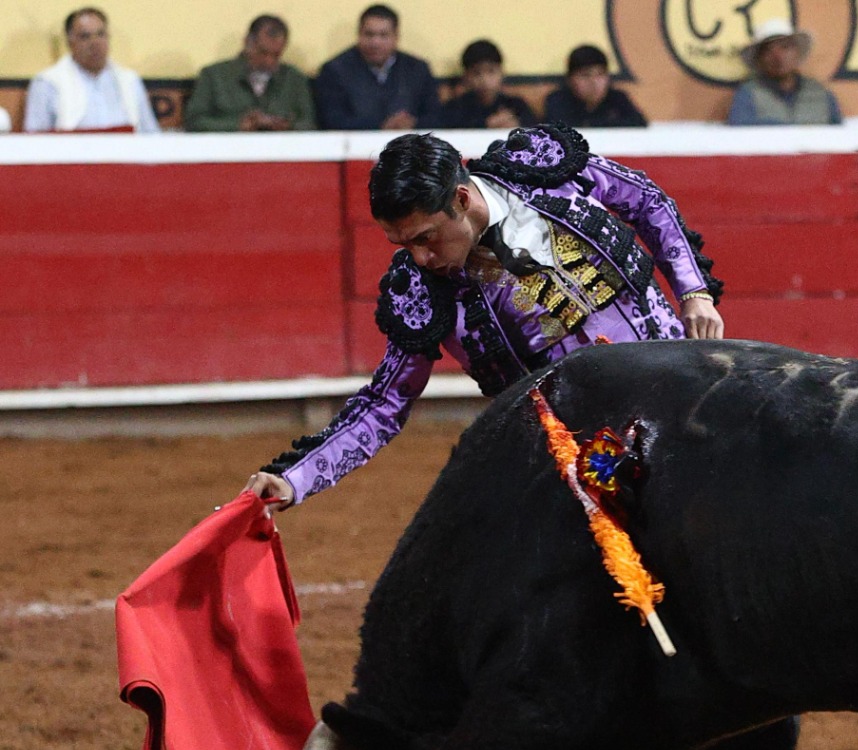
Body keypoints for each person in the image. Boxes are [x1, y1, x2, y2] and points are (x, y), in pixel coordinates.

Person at [243, 125, 722, 507]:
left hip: (679, 389)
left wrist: (694, 291)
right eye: (404, 244)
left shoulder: (540, 167)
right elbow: (383, 403)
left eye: (426, 237)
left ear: (462, 199)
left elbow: (647, 201)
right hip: (582, 460)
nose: (421, 258)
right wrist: (295, 478)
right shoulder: (423, 290)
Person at [24, 8, 160, 133]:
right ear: (70, 42)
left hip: (124, 155)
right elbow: (36, 138)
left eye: (100, 34)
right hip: (72, 156)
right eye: (85, 36)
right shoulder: (47, 83)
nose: (95, 43)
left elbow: (151, 134)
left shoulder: (129, 81)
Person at [314, 4, 439, 131]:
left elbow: (436, 117)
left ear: (396, 37)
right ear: (359, 35)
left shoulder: (418, 69)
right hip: (355, 147)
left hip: (409, 146)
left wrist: (412, 123)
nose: (375, 43)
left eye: (383, 35)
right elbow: (331, 120)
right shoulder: (334, 70)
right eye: (369, 34)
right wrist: (381, 125)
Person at [185, 14, 315, 132]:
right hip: (228, 152)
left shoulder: (294, 79)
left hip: (281, 152)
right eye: (263, 53)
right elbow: (194, 121)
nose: (269, 61)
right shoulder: (214, 76)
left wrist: (286, 125)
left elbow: (310, 123)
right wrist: (237, 125)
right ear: (248, 42)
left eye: (276, 55)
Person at [726, 18, 841, 126]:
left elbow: (840, 137)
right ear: (759, 59)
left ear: (797, 53)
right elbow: (739, 136)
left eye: (785, 47)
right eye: (768, 50)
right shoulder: (747, 95)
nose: (777, 56)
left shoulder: (820, 93)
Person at [437, 39, 535, 129]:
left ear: (502, 72)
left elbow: (536, 133)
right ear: (466, 76)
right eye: (476, 73)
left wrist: (516, 127)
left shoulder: (516, 105)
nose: (485, 80)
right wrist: (486, 125)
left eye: (491, 71)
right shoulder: (454, 109)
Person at [542, 44, 647, 128]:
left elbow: (639, 123)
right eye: (585, 75)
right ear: (570, 79)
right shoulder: (557, 100)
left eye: (600, 74)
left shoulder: (617, 98)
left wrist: (592, 124)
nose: (594, 82)